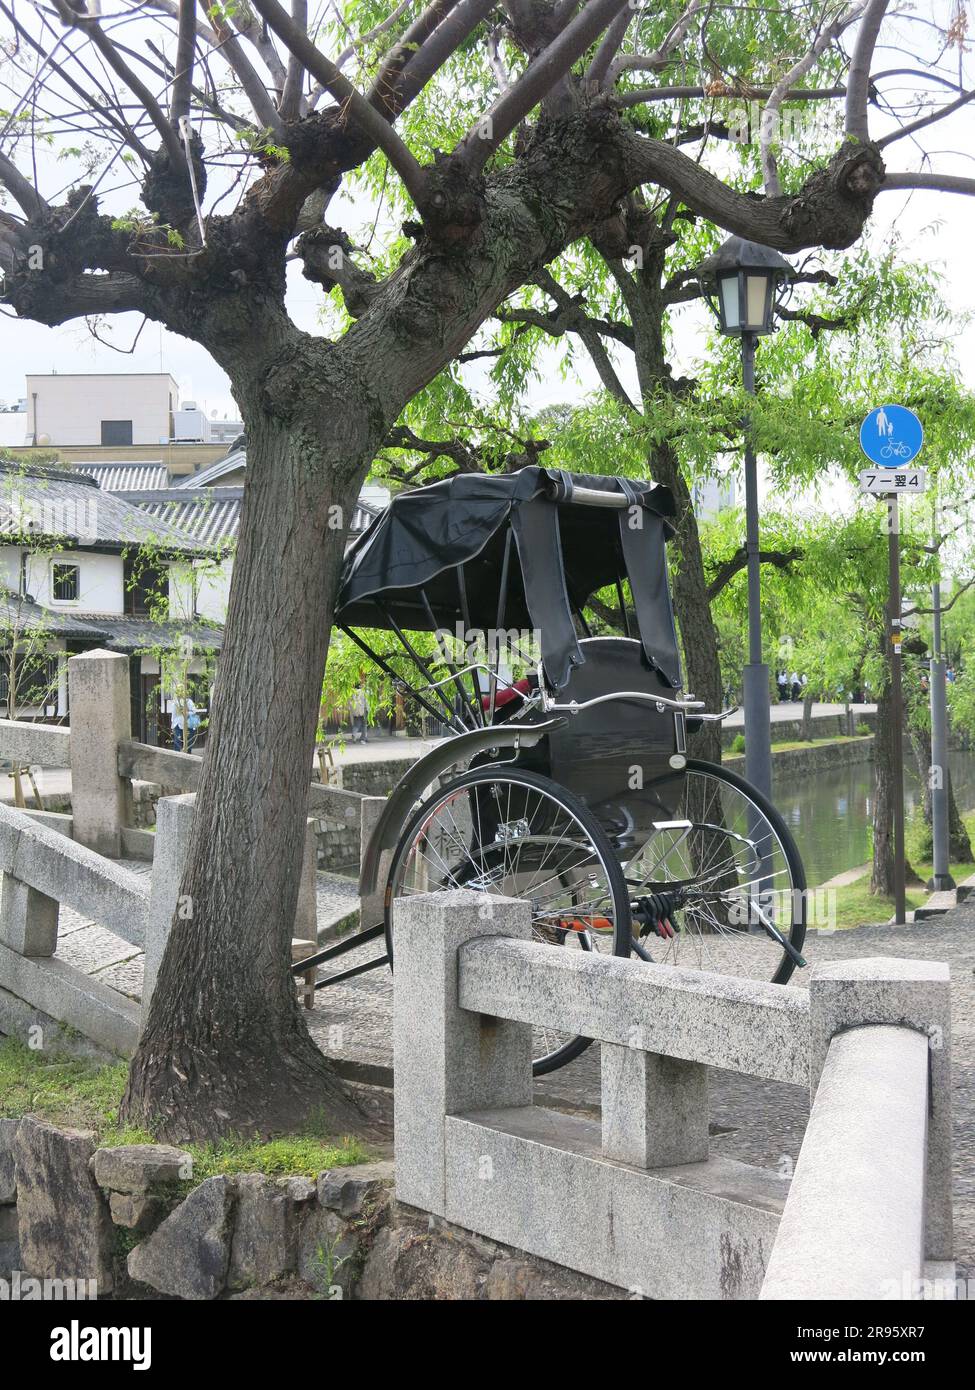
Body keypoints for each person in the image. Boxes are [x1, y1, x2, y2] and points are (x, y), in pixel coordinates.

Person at [351, 680, 368, 744]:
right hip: (363, 710)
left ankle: (354, 734)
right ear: (360, 686)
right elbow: (365, 701)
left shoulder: (352, 693)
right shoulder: (362, 692)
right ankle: (363, 739)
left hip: (355, 710)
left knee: (356, 724)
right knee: (364, 725)